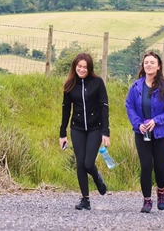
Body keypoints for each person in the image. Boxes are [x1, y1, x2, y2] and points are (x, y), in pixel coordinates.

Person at [126, 51, 164, 213]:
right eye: (146, 62)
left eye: (152, 62)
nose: (149, 65)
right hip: (142, 133)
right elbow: (130, 106)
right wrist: (137, 124)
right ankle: (147, 200)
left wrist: (157, 120)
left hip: (161, 134)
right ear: (143, 65)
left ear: (159, 66)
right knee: (146, 166)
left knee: (160, 168)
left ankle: (161, 191)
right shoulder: (136, 87)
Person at [59, 52, 110, 211]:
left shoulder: (98, 82)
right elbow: (66, 110)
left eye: (84, 67)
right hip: (77, 128)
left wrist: (105, 132)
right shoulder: (69, 85)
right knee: (80, 163)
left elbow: (104, 107)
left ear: (89, 68)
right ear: (75, 67)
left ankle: (97, 178)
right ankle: (85, 199)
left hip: (95, 128)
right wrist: (62, 134)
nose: (81, 69)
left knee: (89, 163)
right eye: (79, 66)